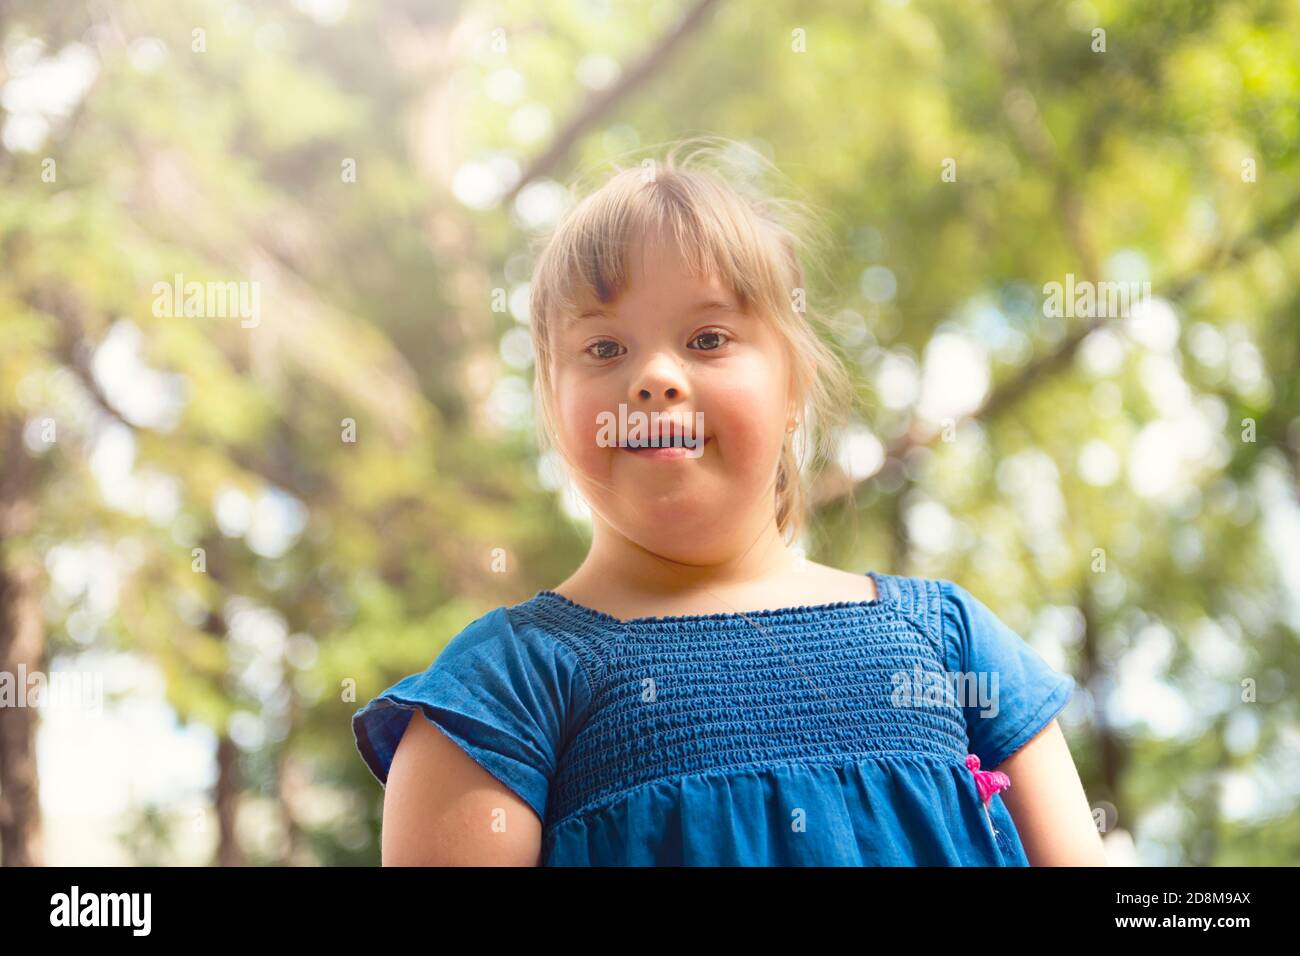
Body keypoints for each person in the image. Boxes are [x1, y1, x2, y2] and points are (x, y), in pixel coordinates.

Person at [352, 137, 1107, 866]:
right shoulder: (502, 691)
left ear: (793, 389)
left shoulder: (952, 643)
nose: (654, 377)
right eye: (605, 349)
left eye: (708, 339)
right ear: (553, 404)